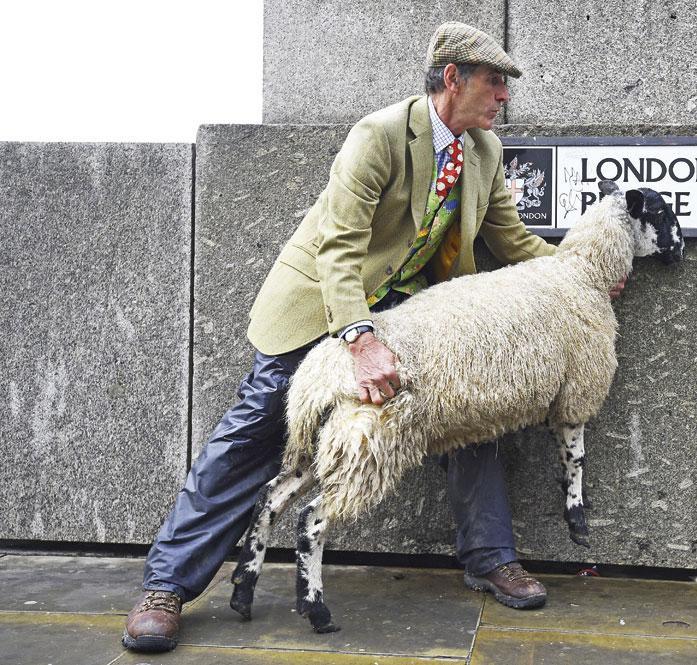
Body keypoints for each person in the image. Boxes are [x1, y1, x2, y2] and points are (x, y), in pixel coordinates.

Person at [123, 21, 577, 654]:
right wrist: (360, 341)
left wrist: (583, 268)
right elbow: (339, 249)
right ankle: (166, 586)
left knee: (471, 409)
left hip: (409, 310)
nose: (504, 98)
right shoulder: (380, 135)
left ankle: (491, 557)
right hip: (318, 307)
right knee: (256, 435)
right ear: (453, 78)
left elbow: (511, 242)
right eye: (495, 84)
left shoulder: (484, 153)